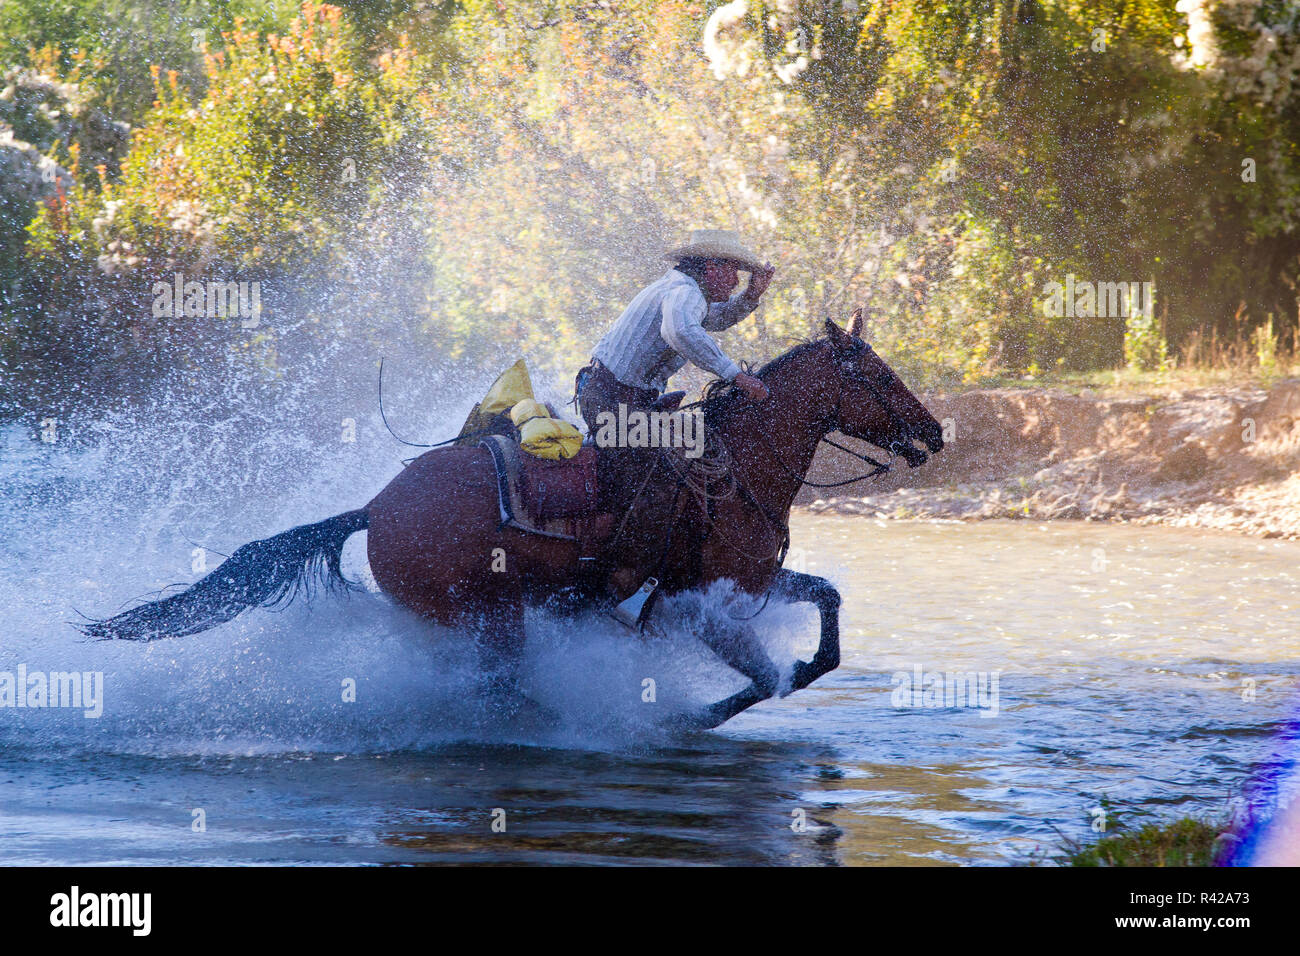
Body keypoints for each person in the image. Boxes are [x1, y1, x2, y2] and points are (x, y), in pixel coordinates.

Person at [573, 229, 775, 598]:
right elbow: (680, 331)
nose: (735, 281)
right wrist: (736, 376)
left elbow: (713, 319)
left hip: (617, 400)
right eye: (734, 272)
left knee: (694, 447)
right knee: (666, 472)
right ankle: (624, 579)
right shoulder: (683, 293)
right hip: (610, 406)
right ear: (712, 267)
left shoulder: (685, 290)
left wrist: (750, 297)